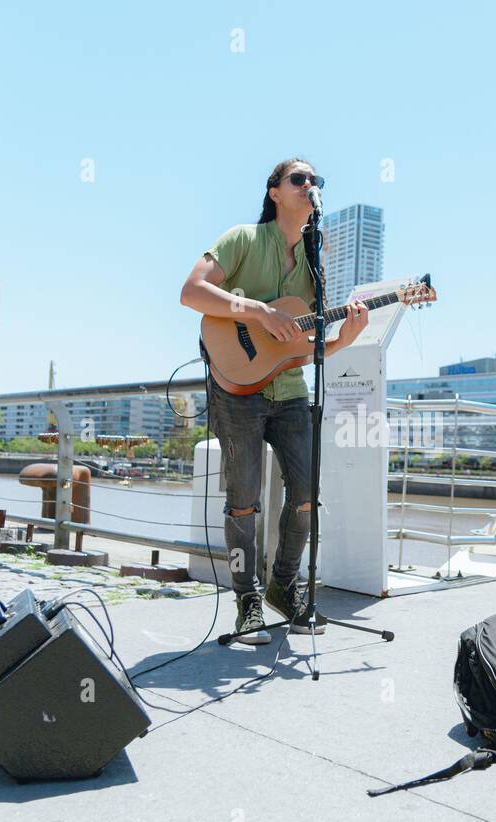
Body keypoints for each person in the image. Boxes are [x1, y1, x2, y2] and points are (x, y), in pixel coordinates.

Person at [179, 158, 369, 642]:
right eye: (299, 179)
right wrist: (258, 312)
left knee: (305, 497)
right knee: (243, 501)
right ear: (275, 192)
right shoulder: (243, 238)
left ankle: (283, 589)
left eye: (316, 181)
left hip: (288, 392)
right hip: (236, 390)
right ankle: (246, 601)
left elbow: (302, 349)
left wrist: (344, 340)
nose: (310, 186)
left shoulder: (312, 259)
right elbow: (192, 292)